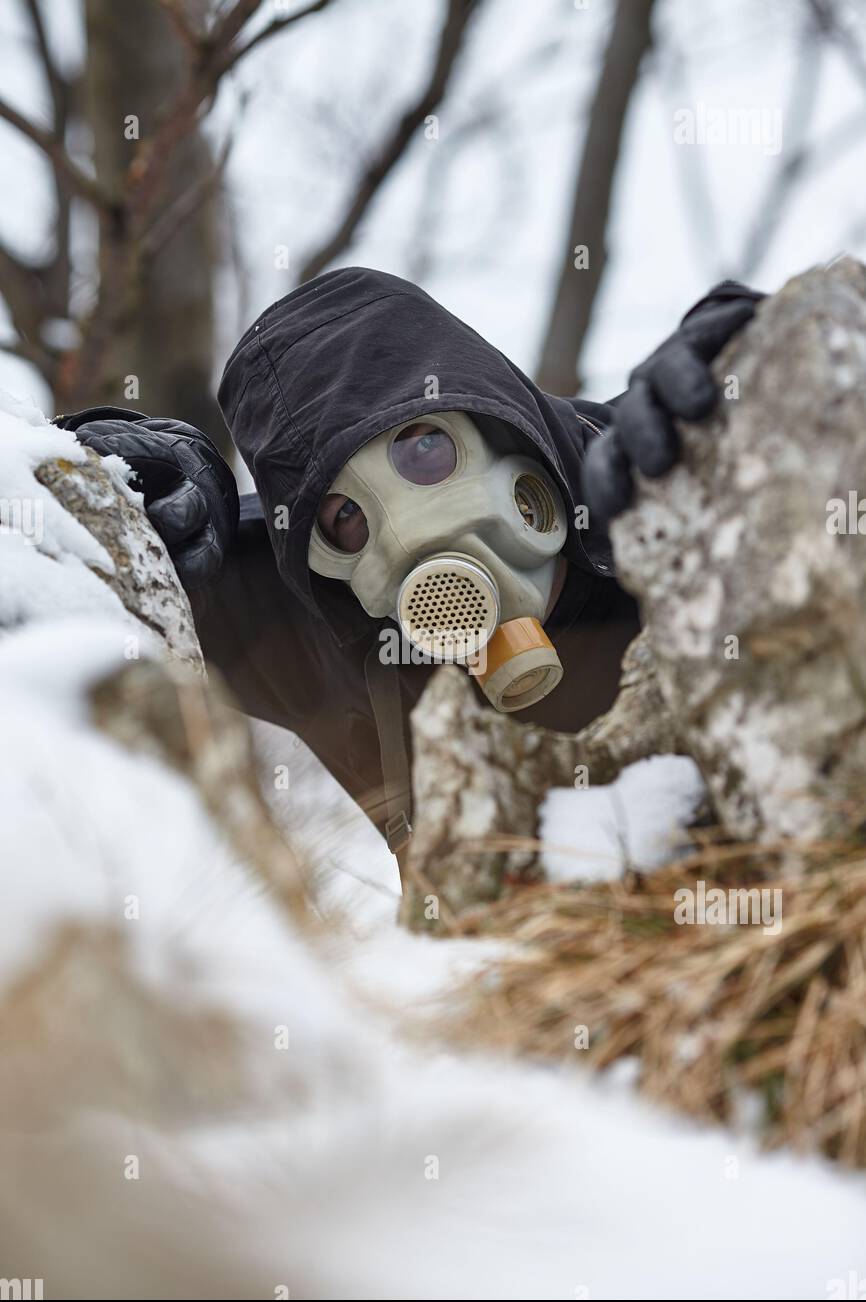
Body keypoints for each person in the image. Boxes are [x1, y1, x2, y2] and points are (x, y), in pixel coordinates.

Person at [56, 267, 762, 866]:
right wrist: (118, 485)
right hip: (517, 1005)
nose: (408, 539)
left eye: (425, 453)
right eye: (346, 521)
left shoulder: (670, 466)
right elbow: (40, 583)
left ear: (499, 420)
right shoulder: (314, 616)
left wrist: (773, 362)